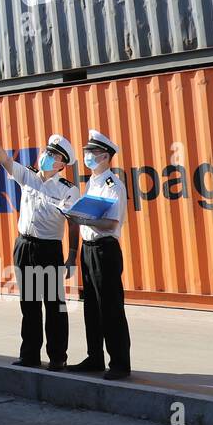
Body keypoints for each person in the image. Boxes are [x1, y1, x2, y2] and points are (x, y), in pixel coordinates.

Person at [0, 113, 78, 371]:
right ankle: (30, 355)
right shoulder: (30, 176)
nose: (45, 155)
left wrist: (72, 255)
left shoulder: (67, 189)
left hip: (49, 249)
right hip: (25, 246)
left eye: (52, 154)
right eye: (46, 150)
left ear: (61, 164)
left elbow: (74, 223)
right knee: (30, 305)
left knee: (54, 306)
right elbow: (5, 161)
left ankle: (58, 357)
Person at [68, 129, 131, 380]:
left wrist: (84, 218)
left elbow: (111, 223)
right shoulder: (92, 182)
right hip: (89, 249)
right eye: (86, 152)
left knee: (111, 308)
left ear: (105, 156)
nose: (87, 156)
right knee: (92, 307)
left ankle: (119, 363)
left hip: (105, 249)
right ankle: (94, 357)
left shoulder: (112, 184)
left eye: (92, 152)